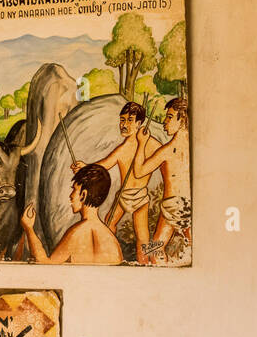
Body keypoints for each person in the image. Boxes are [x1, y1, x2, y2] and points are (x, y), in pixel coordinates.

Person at [73, 101, 158, 263]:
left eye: (129, 120)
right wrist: (85, 167)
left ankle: (146, 265)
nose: (124, 125)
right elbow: (105, 164)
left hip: (140, 195)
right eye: (122, 120)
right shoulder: (122, 148)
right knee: (108, 224)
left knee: (142, 236)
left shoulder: (151, 144)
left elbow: (165, 157)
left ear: (139, 123)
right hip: (124, 195)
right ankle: (110, 259)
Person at [19, 163, 122, 265]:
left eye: (74, 189)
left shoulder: (76, 233)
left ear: (83, 195)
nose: (71, 196)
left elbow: (45, 263)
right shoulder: (112, 240)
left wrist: (29, 228)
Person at [131, 98, 191, 264]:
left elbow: (138, 171)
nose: (165, 122)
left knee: (155, 250)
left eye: (170, 117)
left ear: (182, 119)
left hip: (173, 207)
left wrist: (141, 144)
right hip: (185, 206)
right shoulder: (193, 148)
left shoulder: (167, 151)